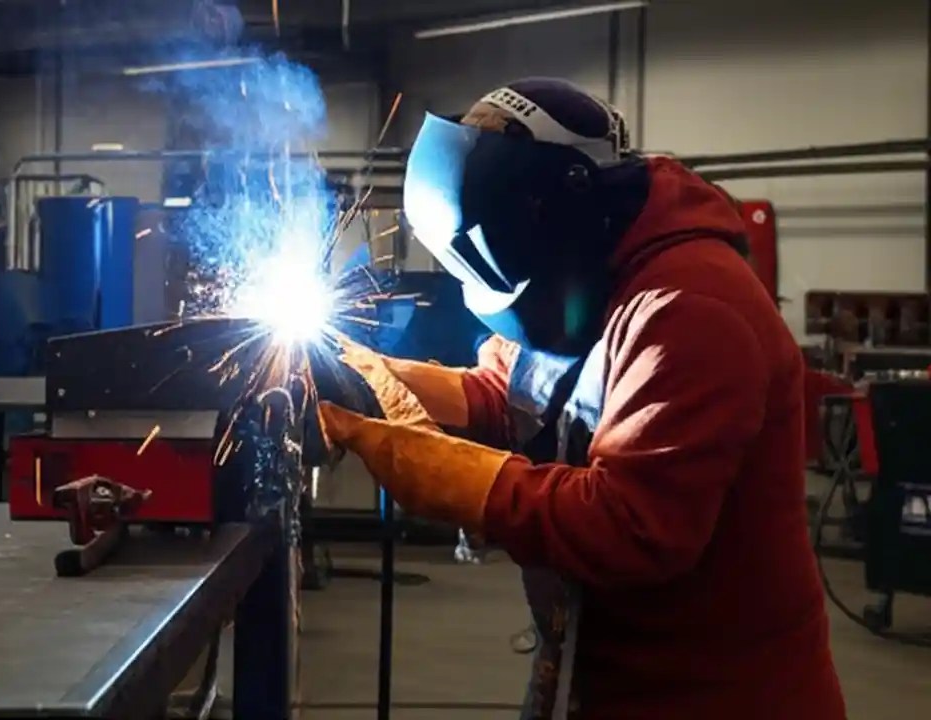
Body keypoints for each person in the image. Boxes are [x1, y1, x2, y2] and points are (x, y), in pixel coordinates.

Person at [319, 78, 845, 720]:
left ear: (549, 205)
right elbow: (514, 399)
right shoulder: (583, 272)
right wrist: (379, 383)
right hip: (597, 677)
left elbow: (631, 528)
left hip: (715, 696)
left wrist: (454, 480)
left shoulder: (691, 311)